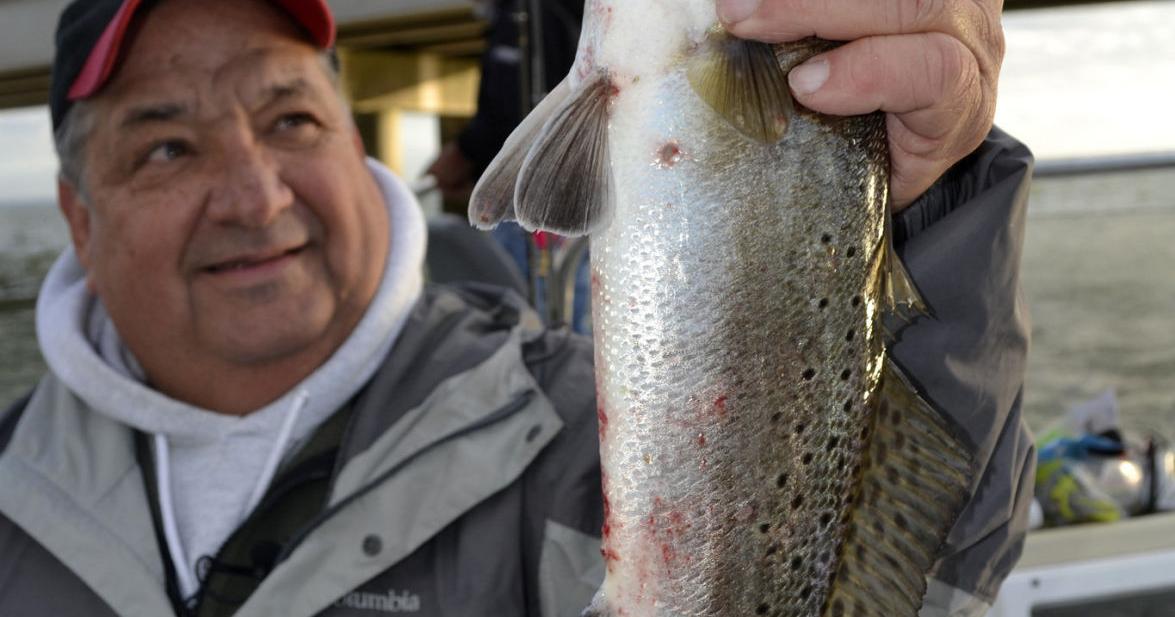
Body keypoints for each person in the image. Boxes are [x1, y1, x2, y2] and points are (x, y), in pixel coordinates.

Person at [0, 1, 1032, 616]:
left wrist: (926, 199)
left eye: (290, 119)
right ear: (78, 218)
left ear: (354, 145)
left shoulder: (566, 429)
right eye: (167, 146)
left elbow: (937, 582)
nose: (253, 194)